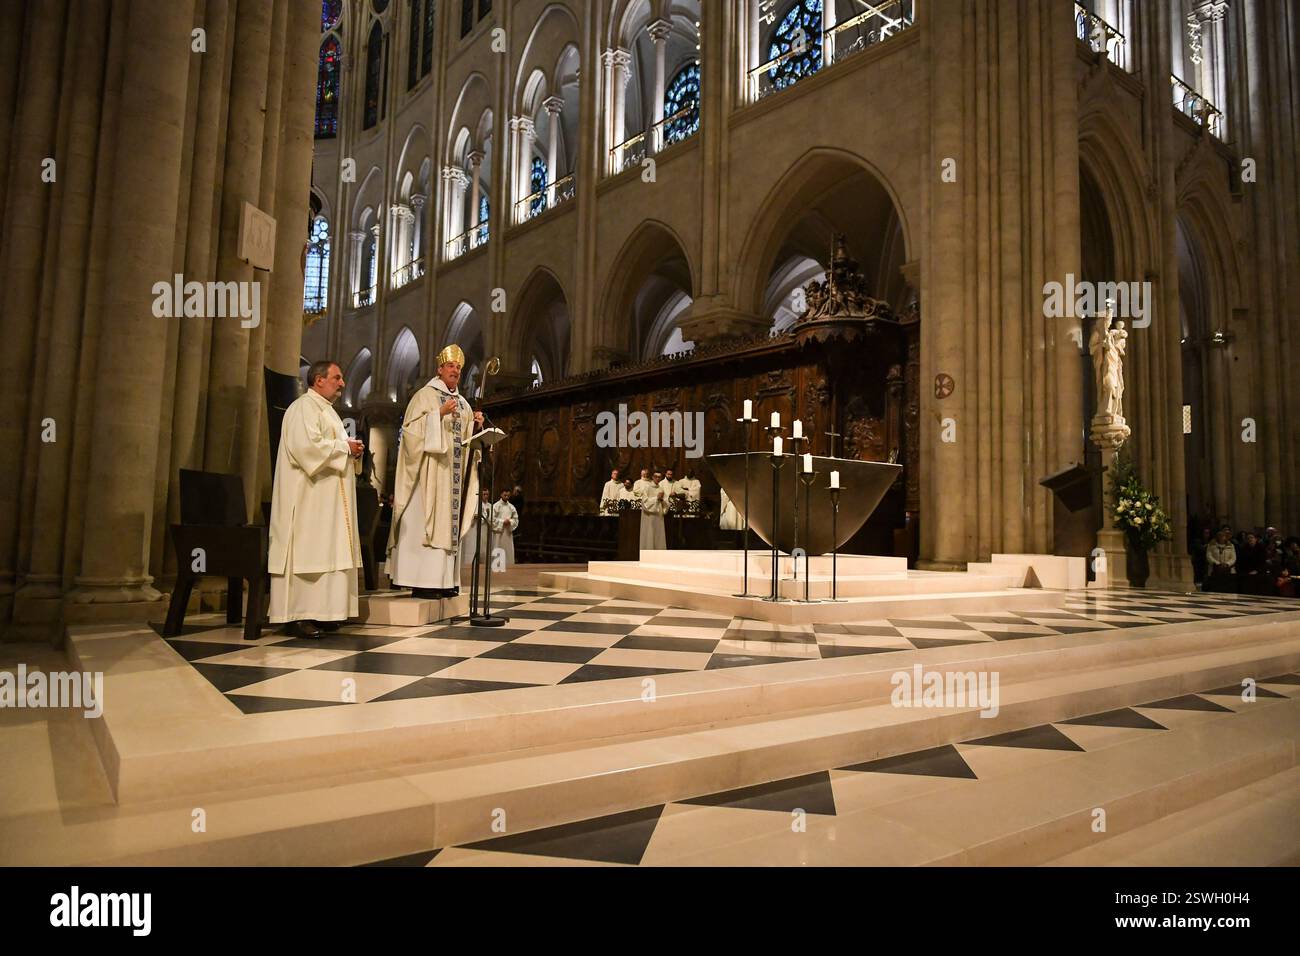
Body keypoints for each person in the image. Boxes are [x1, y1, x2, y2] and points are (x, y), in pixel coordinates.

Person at [267, 360, 364, 639]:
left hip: (327, 500)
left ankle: (324, 612)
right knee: (307, 553)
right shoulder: (302, 408)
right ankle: (298, 615)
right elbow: (305, 448)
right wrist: (343, 446)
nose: (342, 383)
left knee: (327, 552)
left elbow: (331, 449)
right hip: (307, 498)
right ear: (318, 380)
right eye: (337, 377)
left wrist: (351, 452)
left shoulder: (328, 412)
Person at [386, 344, 484, 599]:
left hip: (451, 477)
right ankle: (421, 581)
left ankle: (444, 581)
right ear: (439, 369)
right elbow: (409, 433)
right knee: (424, 525)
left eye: (459, 368)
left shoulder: (462, 403)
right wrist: (437, 415)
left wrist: (476, 426)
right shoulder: (424, 396)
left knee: (448, 526)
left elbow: (465, 441)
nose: (455, 371)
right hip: (428, 475)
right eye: (451, 366)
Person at [639, 469, 667, 551]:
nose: (658, 478)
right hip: (649, 517)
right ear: (652, 477)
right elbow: (644, 503)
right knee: (649, 535)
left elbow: (666, 503)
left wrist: (662, 501)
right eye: (656, 477)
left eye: (659, 477)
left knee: (658, 535)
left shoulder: (661, 489)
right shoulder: (647, 488)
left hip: (658, 516)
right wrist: (656, 498)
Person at [491, 488, 520, 569]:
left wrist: (510, 521)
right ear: (501, 495)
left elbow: (516, 519)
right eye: (505, 495)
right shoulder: (496, 506)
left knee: (508, 550)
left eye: (508, 495)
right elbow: (491, 519)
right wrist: (502, 522)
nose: (507, 497)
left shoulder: (511, 507)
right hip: (498, 533)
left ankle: (509, 566)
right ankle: (497, 566)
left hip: (507, 532)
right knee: (498, 548)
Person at [462, 490, 492, 567]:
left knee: (484, 548)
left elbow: (489, 518)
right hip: (474, 528)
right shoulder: (475, 504)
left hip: (484, 529)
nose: (485, 496)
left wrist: (485, 516)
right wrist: (474, 517)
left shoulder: (490, 506)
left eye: (487, 494)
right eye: (484, 494)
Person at [1203, 526, 1237, 593]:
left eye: (1223, 536)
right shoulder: (1211, 545)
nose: (1222, 537)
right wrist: (1217, 563)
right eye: (1220, 536)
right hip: (1215, 569)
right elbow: (1209, 556)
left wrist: (1227, 564)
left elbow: (1233, 557)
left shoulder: (1230, 546)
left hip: (1228, 569)